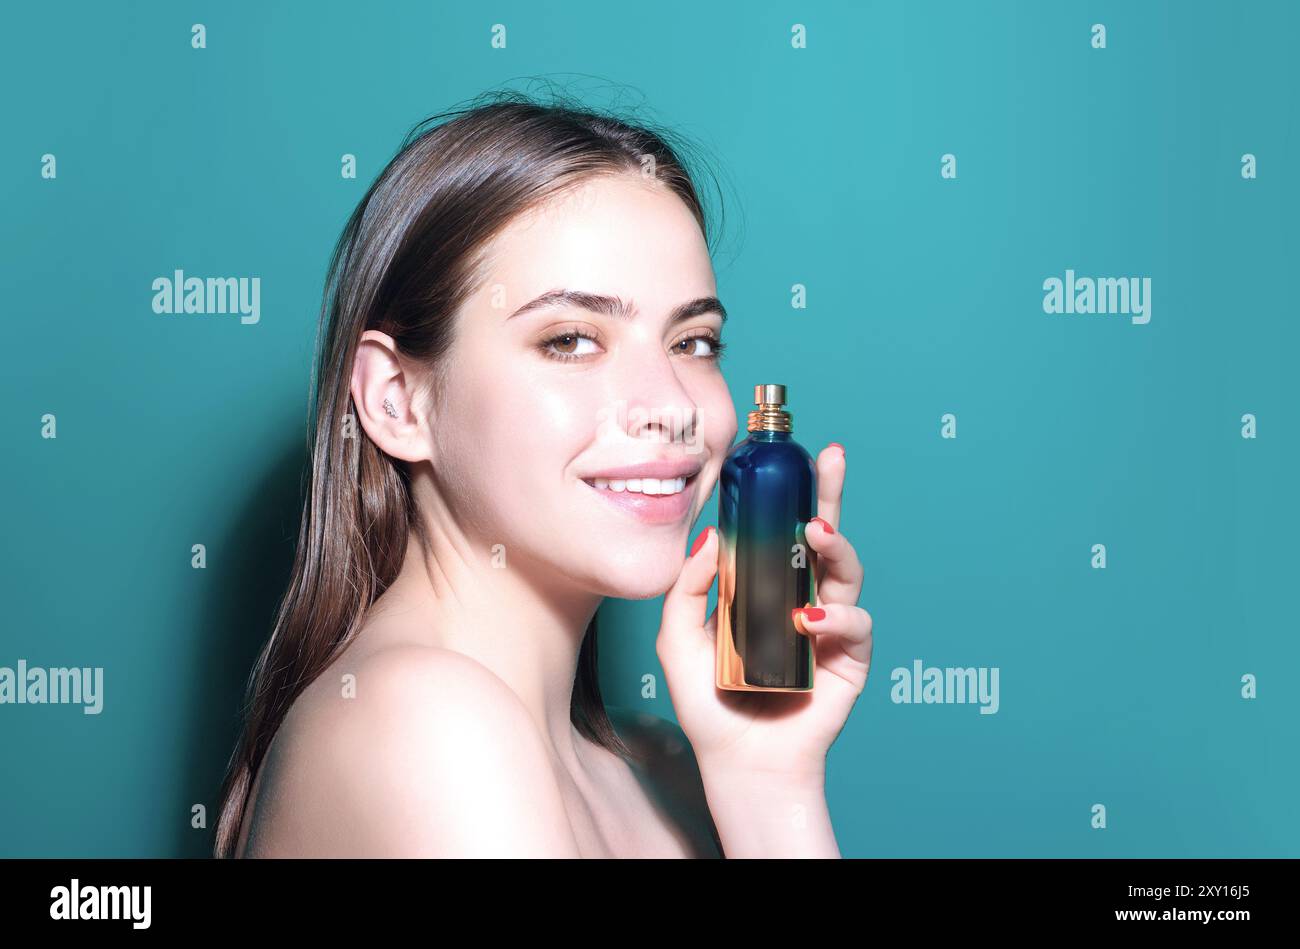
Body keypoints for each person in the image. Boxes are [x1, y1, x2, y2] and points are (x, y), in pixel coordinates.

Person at [213, 89, 873, 858]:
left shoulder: (657, 762)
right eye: (569, 339)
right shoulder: (425, 723)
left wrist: (770, 782)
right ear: (398, 401)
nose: (670, 406)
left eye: (692, 341)